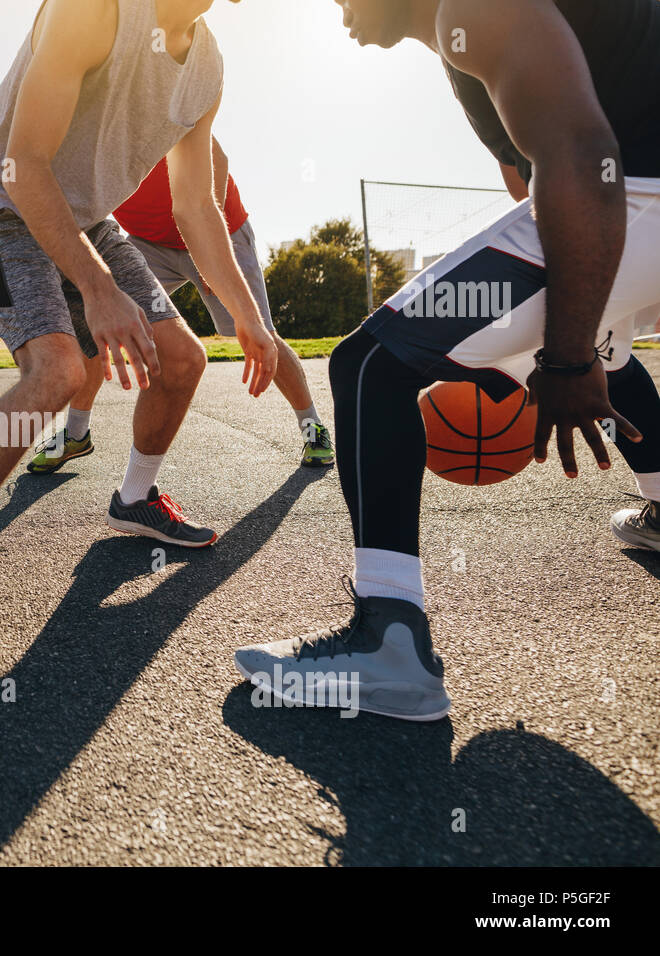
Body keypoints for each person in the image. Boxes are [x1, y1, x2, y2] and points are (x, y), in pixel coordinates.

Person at [235, 0, 660, 720]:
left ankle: (389, 644)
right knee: (606, 349)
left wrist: (561, 358)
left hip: (633, 193)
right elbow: (531, 183)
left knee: (371, 363)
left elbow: (583, 155)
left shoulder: (472, 8)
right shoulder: (463, 43)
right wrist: (574, 338)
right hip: (632, 198)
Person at [0, 0, 277, 658]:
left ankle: (135, 499)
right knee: (58, 372)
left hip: (88, 219)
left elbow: (195, 203)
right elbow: (23, 164)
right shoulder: (93, 11)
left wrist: (248, 314)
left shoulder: (205, 64)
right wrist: (97, 291)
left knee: (182, 360)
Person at [27, 136, 333, 475]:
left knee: (259, 333)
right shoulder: (81, 126)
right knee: (100, 317)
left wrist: (209, 249)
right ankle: (76, 433)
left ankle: (313, 428)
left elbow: (216, 157)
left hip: (217, 228)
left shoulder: (157, 96)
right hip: (149, 243)